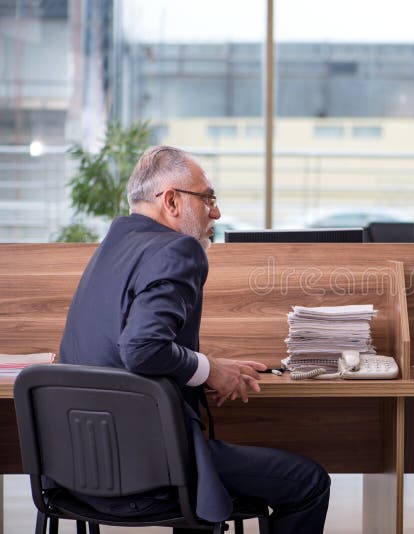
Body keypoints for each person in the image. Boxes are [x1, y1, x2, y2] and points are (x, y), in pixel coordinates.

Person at [59, 145, 330, 534]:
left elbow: (125, 350)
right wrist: (207, 371)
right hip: (147, 467)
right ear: (171, 200)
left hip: (78, 468)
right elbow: (142, 349)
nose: (215, 212)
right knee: (309, 483)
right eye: (208, 198)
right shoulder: (177, 249)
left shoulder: (114, 247)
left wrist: (209, 370)